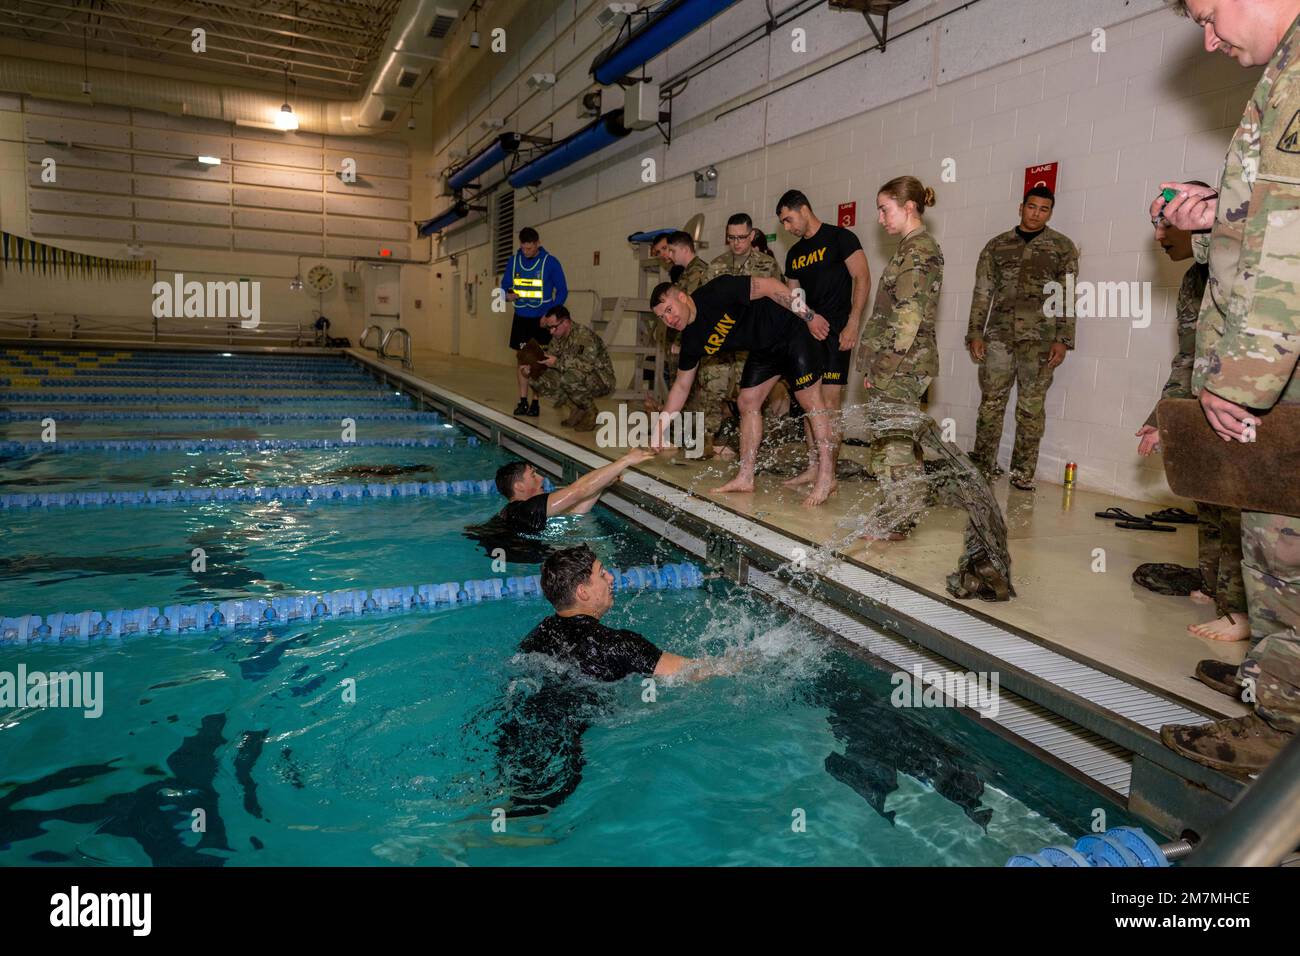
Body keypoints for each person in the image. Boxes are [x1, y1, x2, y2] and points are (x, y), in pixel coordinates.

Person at [1153, 0, 1300, 775]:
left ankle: (1279, 735)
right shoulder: (1281, 73)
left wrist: (1239, 379)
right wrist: (1211, 218)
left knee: (1285, 551)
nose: (1209, 40)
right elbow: (1271, 219)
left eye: (1210, 15)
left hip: (1279, 374)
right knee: (1273, 547)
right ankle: (1276, 686)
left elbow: (1293, 241)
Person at [1135, 187, 1248, 642]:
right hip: (1204, 400)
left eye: (1166, 224)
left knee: (1240, 503)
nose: (1160, 236)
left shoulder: (1237, 268)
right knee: (1208, 493)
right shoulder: (1193, 280)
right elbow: (1187, 357)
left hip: (1244, 402)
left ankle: (1241, 610)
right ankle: (1214, 583)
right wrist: (1160, 415)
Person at [649, 274, 837, 506]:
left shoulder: (717, 291)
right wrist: (659, 428)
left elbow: (769, 286)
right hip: (764, 349)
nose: (669, 319)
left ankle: (827, 476)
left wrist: (809, 316)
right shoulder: (691, 341)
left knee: (811, 401)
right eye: (662, 317)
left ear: (681, 297)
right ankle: (745, 477)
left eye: (669, 309)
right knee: (747, 402)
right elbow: (681, 387)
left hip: (792, 330)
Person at [966, 187, 1080, 490]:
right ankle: (983, 466)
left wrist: (1063, 338)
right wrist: (975, 333)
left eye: (1044, 209)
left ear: (1050, 213)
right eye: (1032, 207)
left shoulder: (1062, 247)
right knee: (991, 403)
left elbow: (1067, 295)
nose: (1036, 213)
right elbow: (982, 293)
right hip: (999, 337)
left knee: (1031, 408)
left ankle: (1022, 472)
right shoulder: (997, 246)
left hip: (1041, 340)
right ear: (1021, 207)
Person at [856, 177, 945, 541]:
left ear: (908, 207)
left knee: (894, 446)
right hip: (900, 365)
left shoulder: (918, 251)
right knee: (895, 441)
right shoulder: (909, 247)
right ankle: (898, 512)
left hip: (903, 366)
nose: (880, 218)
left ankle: (898, 521)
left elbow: (907, 319)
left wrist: (881, 369)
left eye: (884, 209)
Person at [777, 189, 872, 489]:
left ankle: (827, 474)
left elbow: (863, 278)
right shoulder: (793, 254)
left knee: (830, 404)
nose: (788, 228)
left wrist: (854, 322)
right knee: (809, 403)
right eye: (783, 223)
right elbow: (794, 297)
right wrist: (808, 318)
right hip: (809, 333)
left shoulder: (840, 237)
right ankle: (813, 466)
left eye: (789, 219)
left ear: (804, 209)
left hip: (837, 332)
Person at [699, 214, 787, 455]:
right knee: (711, 388)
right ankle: (708, 440)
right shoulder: (715, 266)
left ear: (751, 236)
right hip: (721, 341)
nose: (736, 243)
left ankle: (760, 446)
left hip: (753, 342)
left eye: (741, 237)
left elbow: (778, 302)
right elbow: (705, 306)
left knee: (754, 395)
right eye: (731, 238)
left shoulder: (767, 265)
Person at [491, 448, 655, 534]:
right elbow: (578, 491)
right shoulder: (525, 509)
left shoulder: (518, 512)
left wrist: (602, 485)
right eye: (533, 475)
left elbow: (574, 515)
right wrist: (626, 460)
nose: (541, 478)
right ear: (519, 486)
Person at [517, 305, 615, 430]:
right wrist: (532, 370)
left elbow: (584, 365)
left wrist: (556, 362)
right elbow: (552, 363)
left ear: (566, 322)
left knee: (569, 378)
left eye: (554, 327)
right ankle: (576, 409)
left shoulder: (583, 336)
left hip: (601, 379)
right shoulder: (557, 338)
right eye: (549, 327)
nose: (551, 331)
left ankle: (591, 412)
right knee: (539, 380)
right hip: (576, 374)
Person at [503, 227, 568, 416]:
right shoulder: (513, 262)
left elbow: (562, 290)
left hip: (541, 320)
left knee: (538, 363)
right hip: (521, 319)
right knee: (522, 361)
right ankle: (522, 400)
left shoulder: (551, 262)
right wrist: (508, 295)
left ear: (537, 244)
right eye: (524, 248)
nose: (526, 252)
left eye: (530, 248)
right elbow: (505, 286)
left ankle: (535, 402)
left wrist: (550, 316)